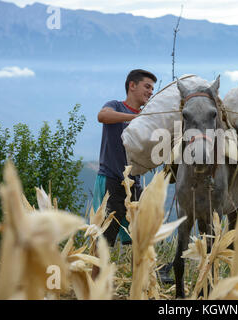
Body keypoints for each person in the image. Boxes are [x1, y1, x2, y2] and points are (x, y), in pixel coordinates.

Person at [92, 69, 157, 279]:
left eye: (152, 89)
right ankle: (93, 288)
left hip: (134, 183)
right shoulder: (116, 106)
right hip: (111, 179)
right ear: (132, 85)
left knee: (140, 237)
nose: (150, 92)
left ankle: (140, 286)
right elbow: (102, 116)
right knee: (103, 239)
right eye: (147, 86)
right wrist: (136, 117)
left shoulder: (147, 116)